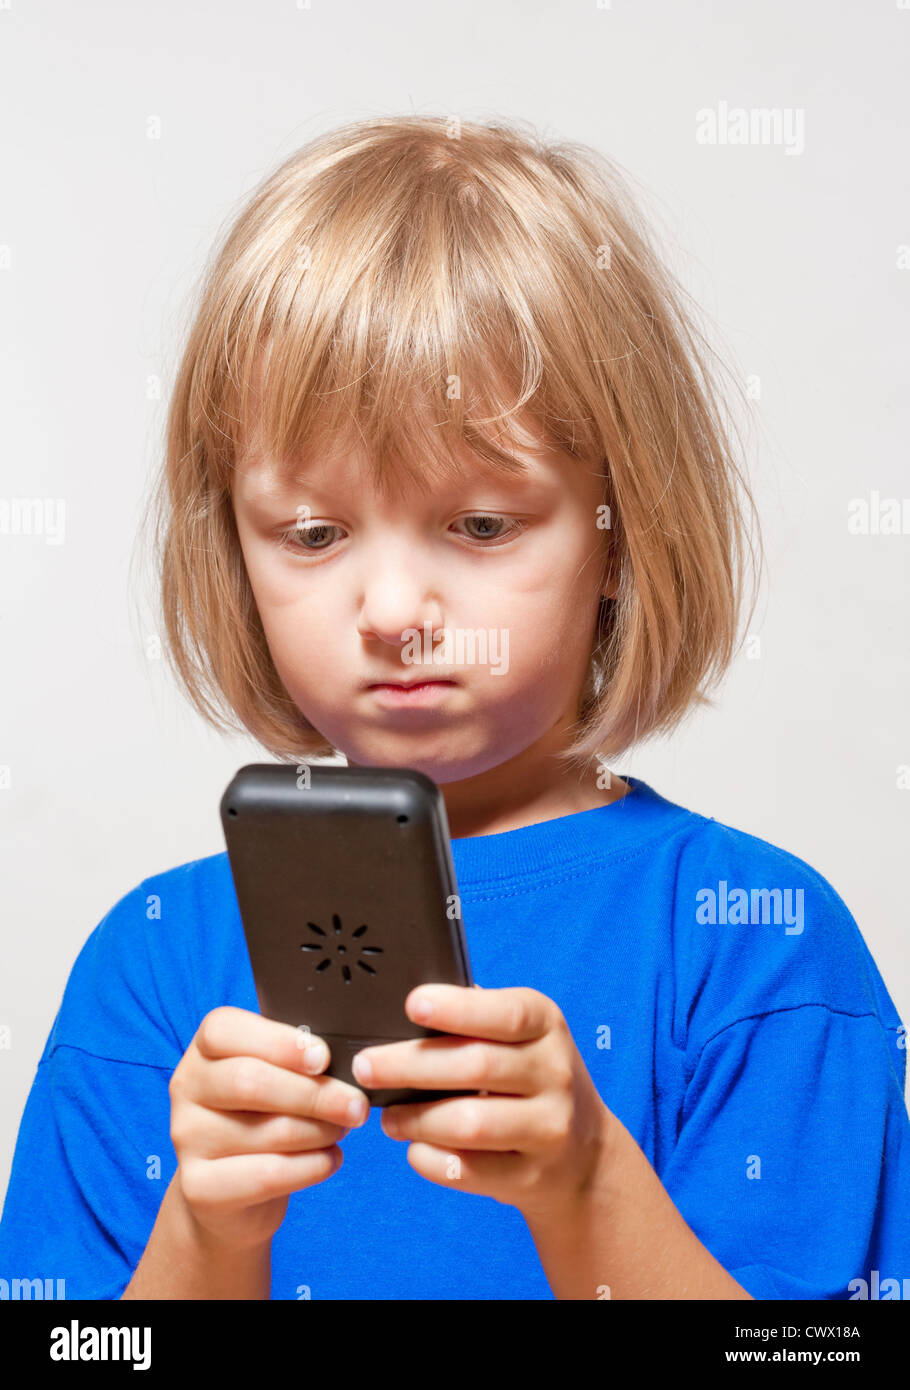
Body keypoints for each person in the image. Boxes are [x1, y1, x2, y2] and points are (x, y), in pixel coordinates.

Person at [1, 115, 907, 1301]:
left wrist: (586, 1185)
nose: (389, 609)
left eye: (480, 525)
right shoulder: (151, 966)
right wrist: (207, 1242)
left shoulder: (754, 942)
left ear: (620, 534)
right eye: (314, 534)